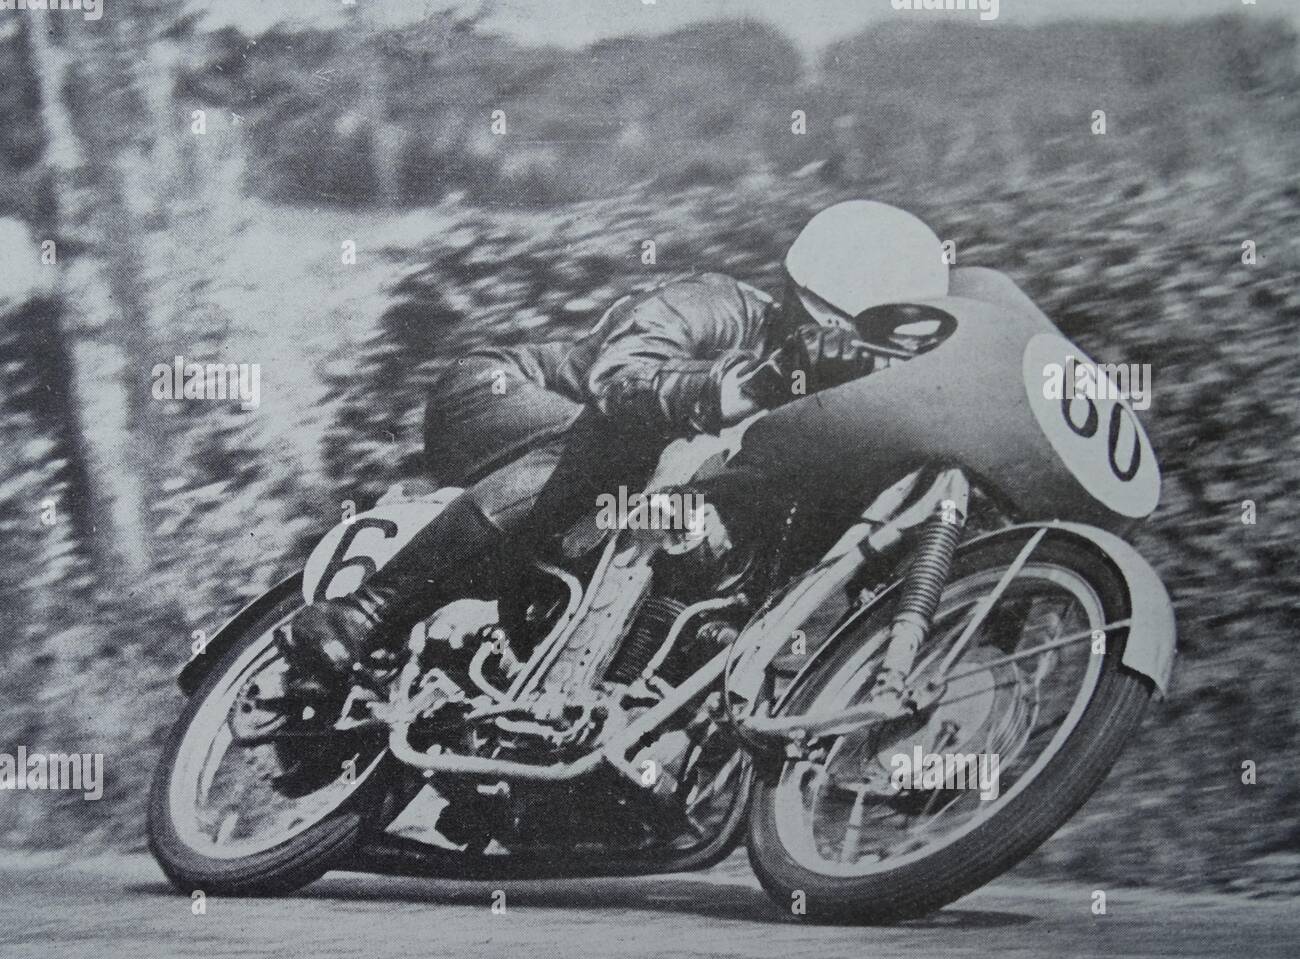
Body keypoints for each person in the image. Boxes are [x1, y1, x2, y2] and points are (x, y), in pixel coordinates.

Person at [276, 200, 951, 690]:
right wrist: (761, 382)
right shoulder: (713, 305)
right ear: (817, 307)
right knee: (614, 447)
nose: (866, 366)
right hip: (503, 395)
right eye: (860, 344)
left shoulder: (829, 424)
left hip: (597, 494)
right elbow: (619, 383)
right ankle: (362, 612)